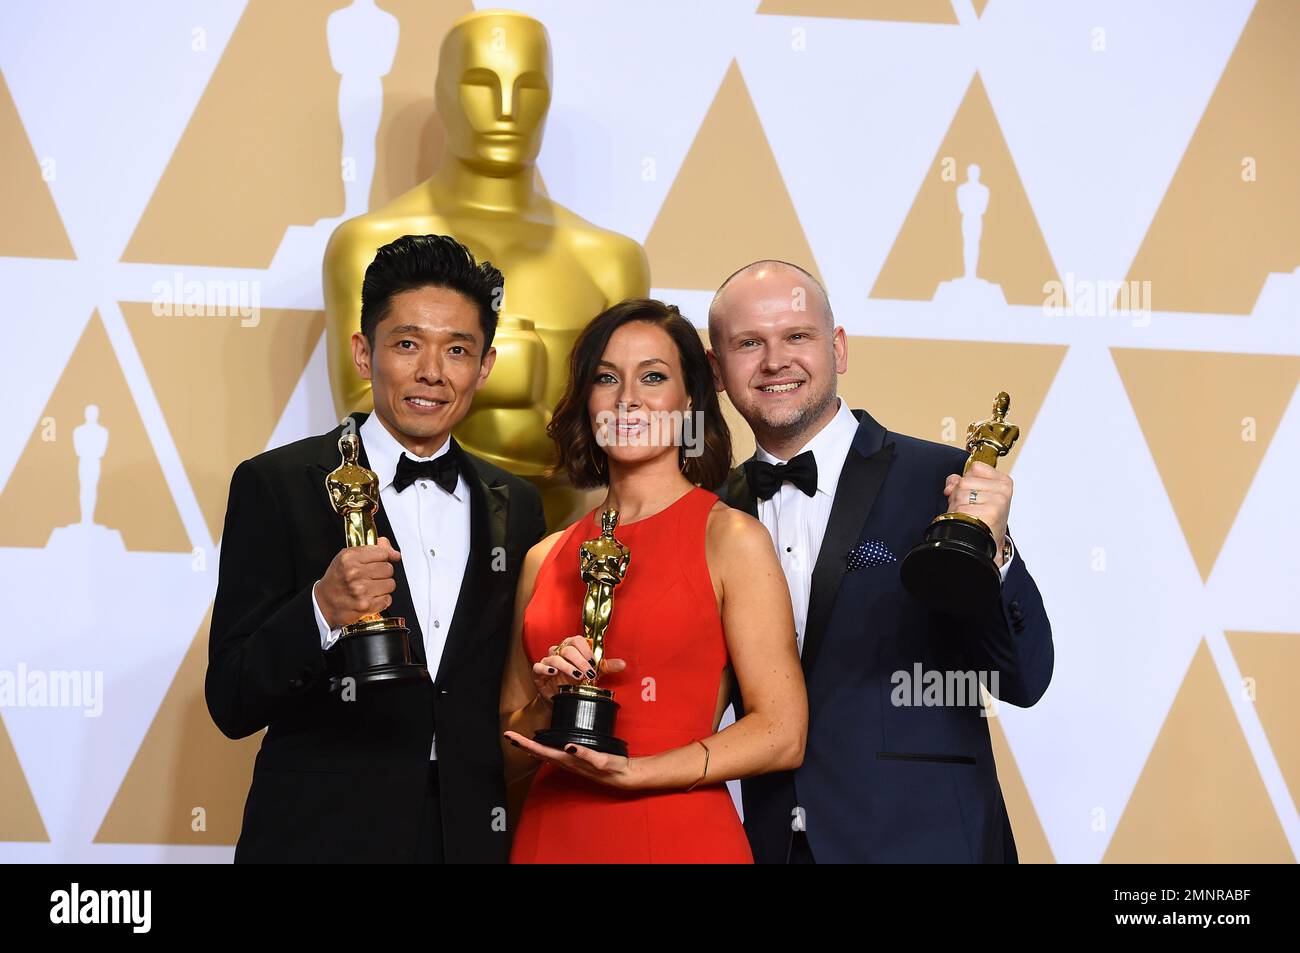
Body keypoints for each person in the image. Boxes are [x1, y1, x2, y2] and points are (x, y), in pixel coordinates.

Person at [206, 234, 546, 863]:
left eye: (458, 350)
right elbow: (231, 698)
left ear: (486, 366)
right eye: (407, 343)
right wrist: (319, 611)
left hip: (468, 838)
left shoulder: (516, 503)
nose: (431, 373)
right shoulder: (277, 484)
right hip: (321, 837)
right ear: (364, 353)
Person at [708, 260, 1053, 863]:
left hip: (928, 840)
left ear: (837, 349)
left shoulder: (940, 481)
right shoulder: (709, 516)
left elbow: (1021, 680)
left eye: (797, 336)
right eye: (747, 343)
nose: (774, 361)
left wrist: (996, 554)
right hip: (773, 847)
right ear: (716, 369)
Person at [500, 298, 807, 863]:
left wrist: (636, 773)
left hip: (677, 833)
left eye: (653, 377)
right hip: (551, 837)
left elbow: (783, 733)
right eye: (606, 378)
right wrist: (546, 704)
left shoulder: (730, 539)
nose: (627, 400)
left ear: (689, 399)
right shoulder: (544, 557)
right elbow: (504, 755)